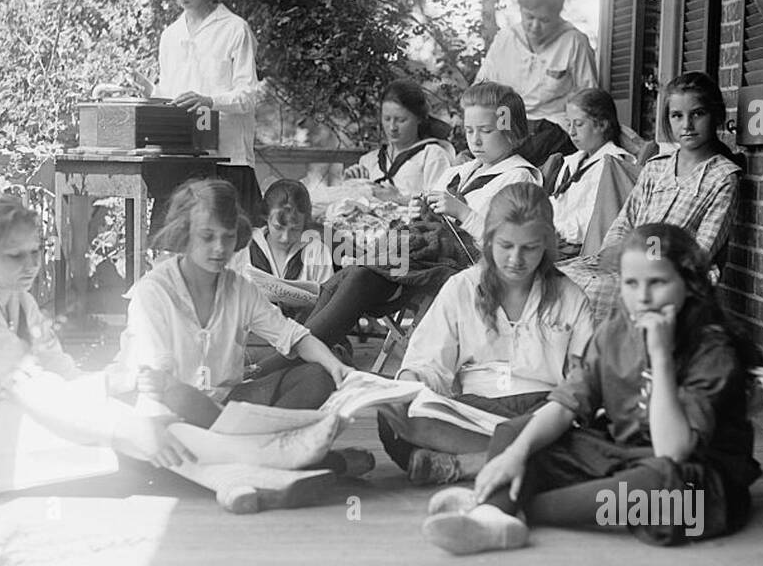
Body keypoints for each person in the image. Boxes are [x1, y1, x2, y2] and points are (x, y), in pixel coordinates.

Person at [422, 223, 760, 555]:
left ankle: (503, 507)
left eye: (657, 282)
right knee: (517, 434)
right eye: (631, 283)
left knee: (661, 488)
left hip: (695, 487)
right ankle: (494, 515)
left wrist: (660, 356)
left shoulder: (712, 350)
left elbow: (672, 451)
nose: (642, 297)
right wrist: (516, 453)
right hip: (625, 456)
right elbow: (565, 405)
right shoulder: (614, 333)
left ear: (688, 284)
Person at [113, 179, 372, 510]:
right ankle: (311, 461)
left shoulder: (240, 288)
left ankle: (249, 467)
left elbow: (294, 336)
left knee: (317, 376)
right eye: (207, 237)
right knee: (174, 394)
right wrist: (152, 427)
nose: (220, 248)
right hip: (166, 416)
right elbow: (154, 378)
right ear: (184, 234)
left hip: (227, 408)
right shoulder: (153, 292)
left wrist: (338, 368)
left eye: (228, 236)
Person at [251, 82, 541, 373]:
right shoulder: (460, 171)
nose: (475, 140)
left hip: (463, 267)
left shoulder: (519, 178)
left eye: (486, 131)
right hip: (421, 256)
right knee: (349, 274)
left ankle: (280, 363)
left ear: (510, 129)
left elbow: (509, 244)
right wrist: (420, 211)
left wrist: (462, 212)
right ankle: (297, 358)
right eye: (469, 130)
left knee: (361, 275)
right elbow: (428, 218)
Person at [0, 193, 179, 473]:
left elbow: (61, 372)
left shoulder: (21, 301)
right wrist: (122, 429)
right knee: (103, 444)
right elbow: (28, 384)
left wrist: (116, 389)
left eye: (35, 252)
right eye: (15, 256)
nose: (31, 266)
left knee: (139, 423)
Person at [376, 183, 595, 486]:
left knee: (588, 431)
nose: (516, 259)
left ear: (546, 245)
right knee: (393, 418)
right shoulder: (463, 287)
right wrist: (411, 386)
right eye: (506, 245)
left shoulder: (570, 297)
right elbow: (427, 362)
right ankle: (533, 459)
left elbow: (582, 382)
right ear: (489, 239)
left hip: (543, 413)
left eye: (529, 248)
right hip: (474, 410)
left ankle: (470, 463)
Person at [557, 72, 743, 323]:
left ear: (716, 115)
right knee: (552, 279)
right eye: (677, 116)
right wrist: (612, 253)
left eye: (697, 114)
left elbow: (702, 251)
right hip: (629, 263)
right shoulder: (656, 167)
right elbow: (625, 221)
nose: (687, 125)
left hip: (672, 273)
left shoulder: (722, 177)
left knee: (592, 292)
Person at [94, 0, 264, 214]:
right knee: (172, 240)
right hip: (180, 163)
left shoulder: (235, 29)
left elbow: (249, 96)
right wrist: (150, 91)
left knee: (231, 238)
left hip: (227, 160)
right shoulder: (171, 35)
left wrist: (209, 101)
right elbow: (172, 99)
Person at [475, 0, 599, 166]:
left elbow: (589, 96)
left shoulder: (574, 41)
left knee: (514, 160)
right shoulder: (506, 39)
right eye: (529, 17)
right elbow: (482, 86)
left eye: (544, 20)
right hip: (509, 120)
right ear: (521, 11)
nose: (535, 26)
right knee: (484, 155)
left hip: (552, 123)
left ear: (558, 15)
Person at [546, 87, 635, 257]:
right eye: (569, 124)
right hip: (555, 239)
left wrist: (554, 230)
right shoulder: (572, 161)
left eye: (579, 124)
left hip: (581, 250)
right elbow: (558, 205)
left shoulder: (614, 166)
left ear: (602, 125)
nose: (571, 132)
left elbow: (597, 220)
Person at [344, 78, 454, 201]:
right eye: (387, 119)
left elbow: (441, 205)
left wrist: (399, 199)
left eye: (401, 120)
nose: (392, 127)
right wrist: (353, 186)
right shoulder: (368, 161)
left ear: (419, 118)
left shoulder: (432, 156)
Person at [231, 178, 335, 289]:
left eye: (295, 229)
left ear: (304, 223)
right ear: (266, 217)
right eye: (278, 228)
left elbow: (327, 295)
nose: (285, 238)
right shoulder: (244, 246)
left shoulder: (317, 251)